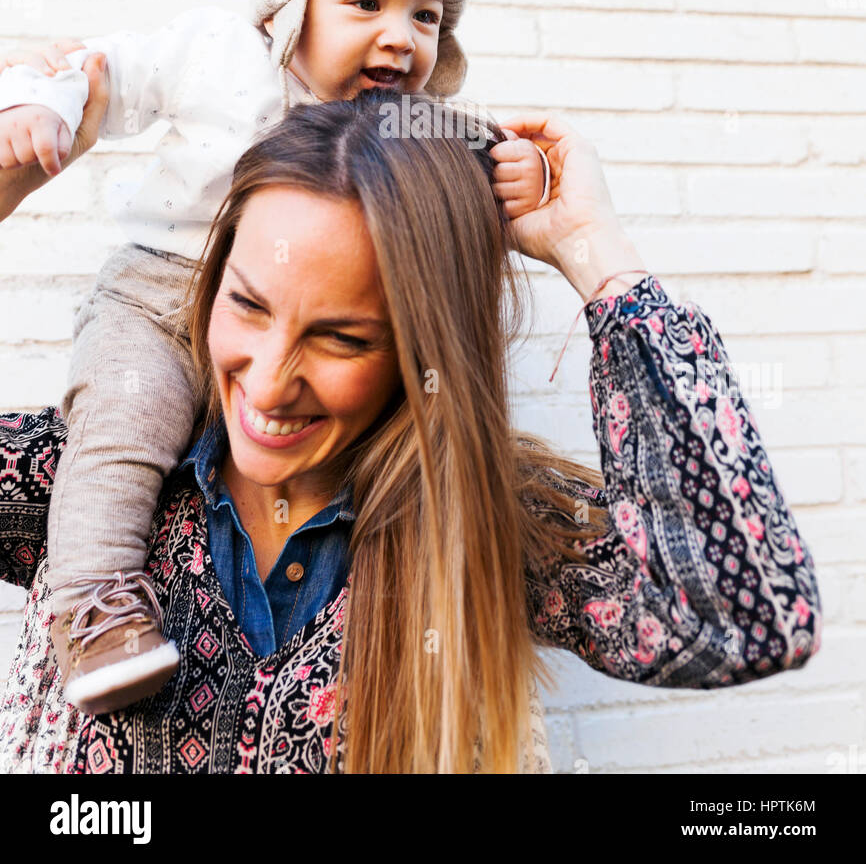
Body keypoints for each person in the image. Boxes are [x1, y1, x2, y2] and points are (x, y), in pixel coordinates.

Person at [0, 80, 822, 774]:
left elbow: (749, 618)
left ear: (422, 351)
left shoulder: (491, 523)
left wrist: (596, 254)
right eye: (247, 305)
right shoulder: (93, 485)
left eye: (341, 338)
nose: (270, 378)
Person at [0, 0, 550, 714]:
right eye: (366, 4)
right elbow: (110, 68)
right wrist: (44, 106)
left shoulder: (405, 131)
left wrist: (528, 170)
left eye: (426, 15)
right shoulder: (223, 59)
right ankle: (94, 605)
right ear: (290, 8)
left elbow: (482, 151)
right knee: (122, 426)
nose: (401, 36)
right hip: (156, 297)